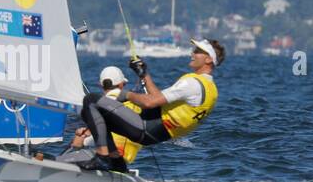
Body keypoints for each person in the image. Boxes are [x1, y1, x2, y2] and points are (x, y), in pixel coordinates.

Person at [78, 38, 224, 172]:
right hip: (156, 133)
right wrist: (144, 75)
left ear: (209, 59)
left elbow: (149, 103)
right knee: (100, 116)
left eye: (198, 51)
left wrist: (125, 94)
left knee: (90, 101)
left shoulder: (192, 83)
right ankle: (117, 163)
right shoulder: (211, 88)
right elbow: (157, 99)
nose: (192, 53)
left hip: (146, 128)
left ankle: (102, 157)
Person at [57, 66, 142, 165]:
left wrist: (83, 136)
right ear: (122, 85)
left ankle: (55, 165)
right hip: (122, 161)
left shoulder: (100, 108)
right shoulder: (136, 106)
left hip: (110, 159)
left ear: (101, 85)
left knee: (61, 159)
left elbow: (100, 135)